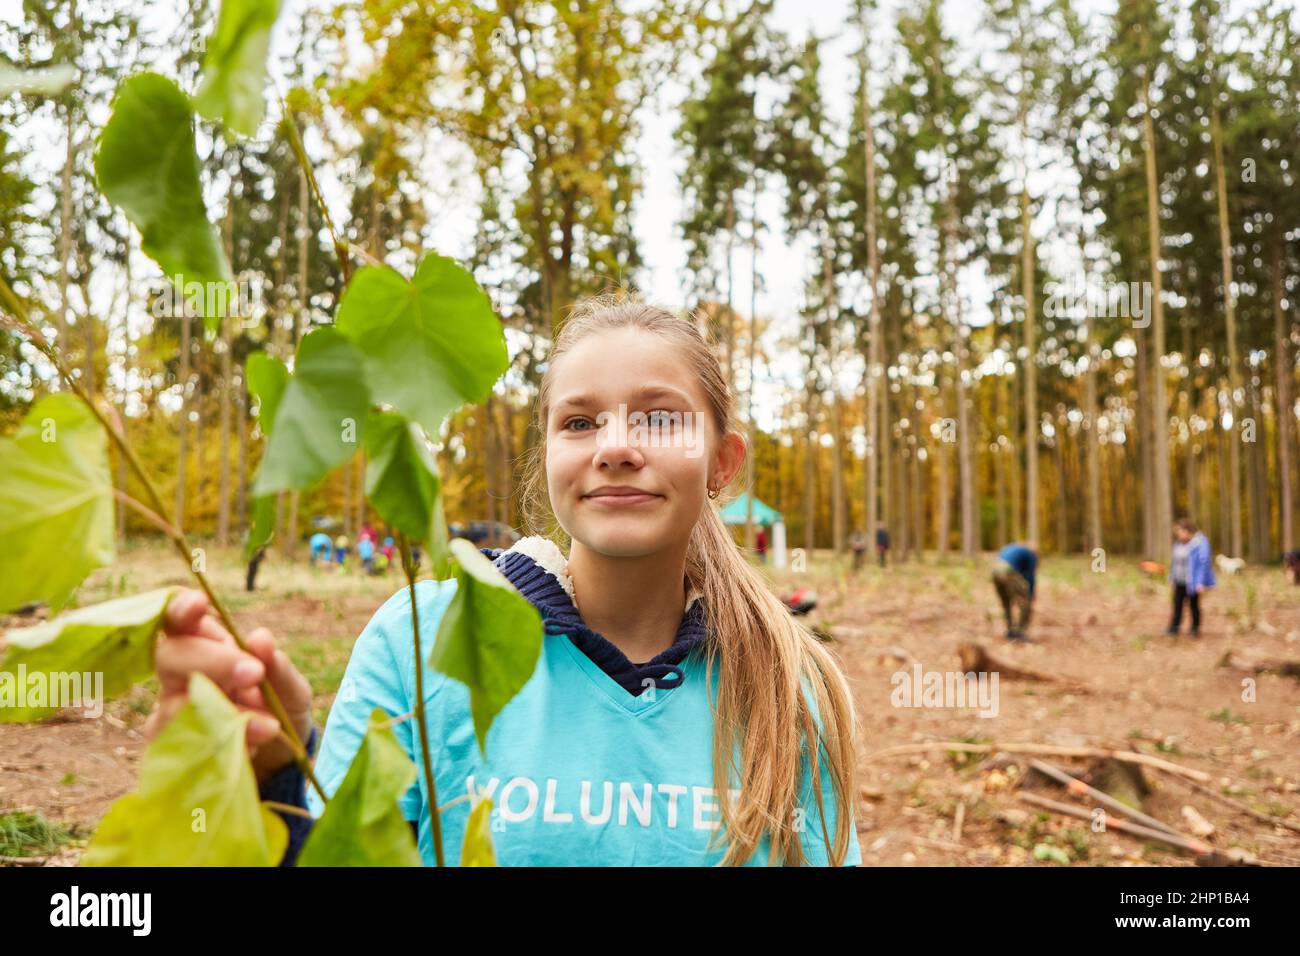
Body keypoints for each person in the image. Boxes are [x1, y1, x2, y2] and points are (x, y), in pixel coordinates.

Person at [146, 295, 860, 867]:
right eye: (579, 422)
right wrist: (278, 775)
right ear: (548, 453)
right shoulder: (420, 640)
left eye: (660, 418)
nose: (615, 447)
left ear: (723, 464)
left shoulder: (790, 687)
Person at [1167, 518, 1215, 638]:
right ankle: (1174, 627)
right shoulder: (1178, 545)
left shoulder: (1197, 545)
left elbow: (1202, 564)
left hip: (1192, 582)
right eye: (1177, 532)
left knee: (1194, 606)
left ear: (1188, 531)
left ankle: (1195, 628)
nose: (1179, 534)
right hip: (1179, 581)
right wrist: (1172, 577)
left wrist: (1200, 582)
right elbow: (1174, 563)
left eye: (1180, 531)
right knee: (1177, 605)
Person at [992, 540, 1038, 642]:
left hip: (995, 568)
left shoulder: (1015, 548)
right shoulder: (1030, 553)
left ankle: (1010, 629)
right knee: (1025, 601)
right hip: (1007, 570)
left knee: (1006, 601)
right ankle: (1020, 632)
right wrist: (1031, 594)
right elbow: (1030, 576)